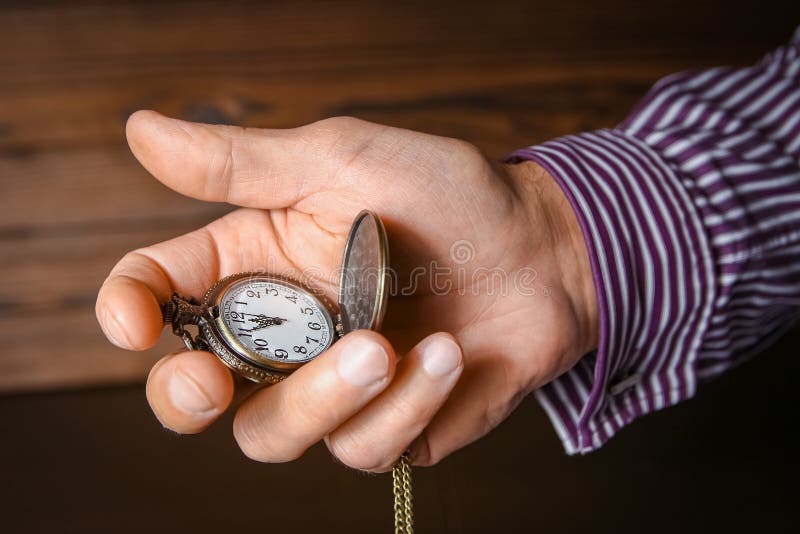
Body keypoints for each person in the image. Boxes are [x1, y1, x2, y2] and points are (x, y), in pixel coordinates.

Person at [96, 27, 800, 468]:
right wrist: (563, 243)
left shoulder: (245, 309)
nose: (270, 317)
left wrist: (561, 238)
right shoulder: (239, 312)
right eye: (262, 324)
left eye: (261, 317)